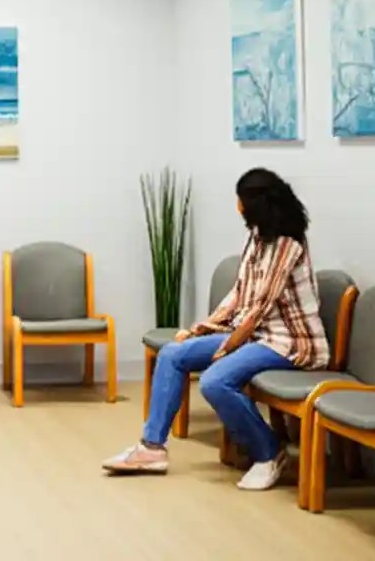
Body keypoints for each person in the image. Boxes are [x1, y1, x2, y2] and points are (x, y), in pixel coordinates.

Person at [102, 167, 329, 491]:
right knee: (172, 354)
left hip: (289, 343)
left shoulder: (287, 245)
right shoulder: (257, 236)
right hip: (256, 336)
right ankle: (151, 448)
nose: (237, 207)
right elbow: (240, 293)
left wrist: (227, 347)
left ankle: (269, 452)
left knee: (215, 381)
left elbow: (259, 307)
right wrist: (201, 329)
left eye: (241, 201)